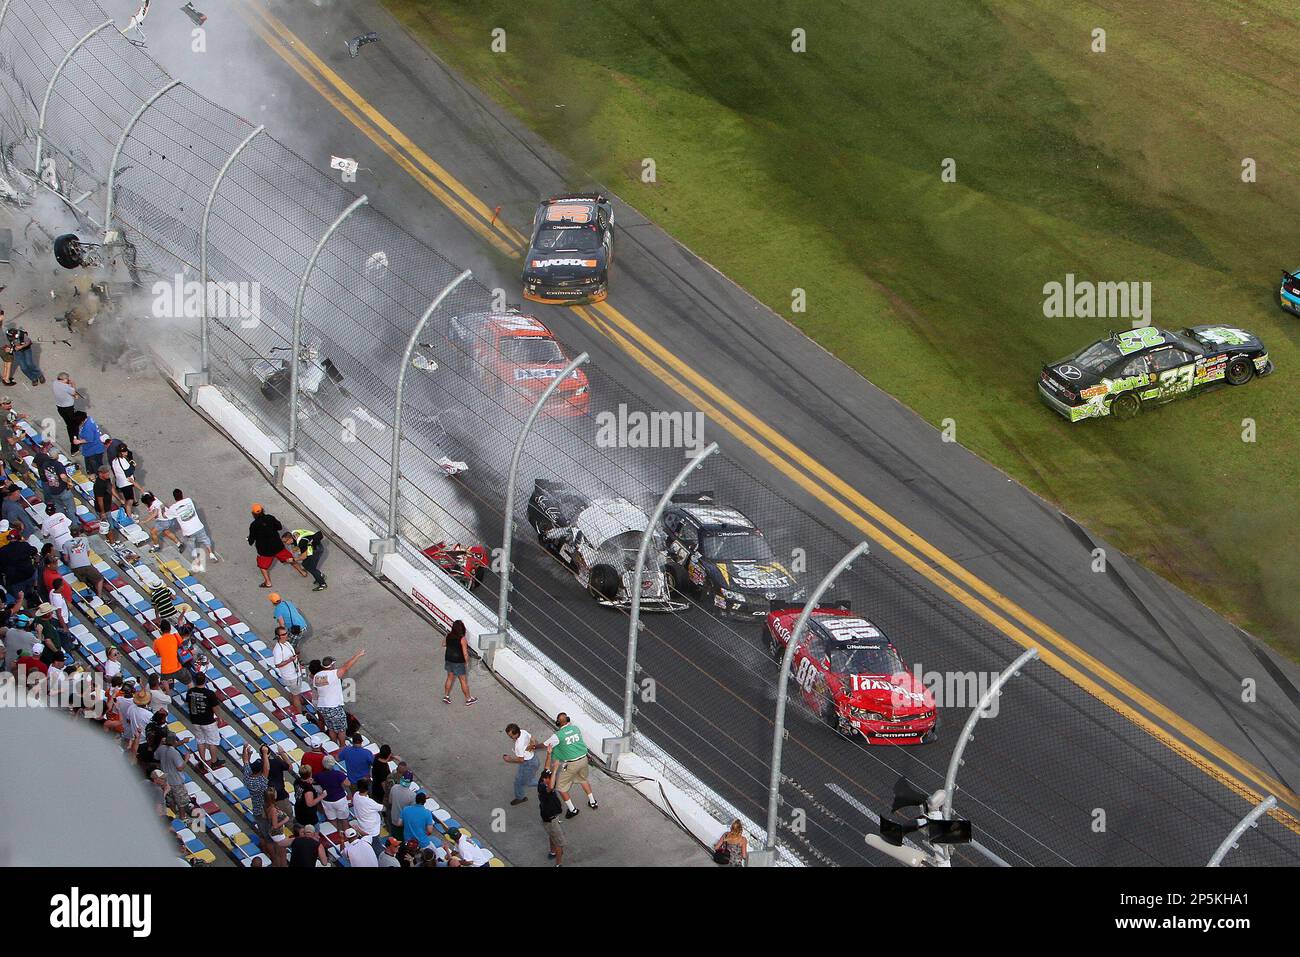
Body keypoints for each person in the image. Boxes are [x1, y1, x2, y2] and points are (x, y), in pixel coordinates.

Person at [540, 712, 598, 818]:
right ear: (568, 720)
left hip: (571, 764)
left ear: (558, 723)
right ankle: (593, 802)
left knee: (561, 787)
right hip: (583, 760)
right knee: (583, 779)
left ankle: (572, 809)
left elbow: (545, 744)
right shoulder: (575, 729)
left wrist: (534, 747)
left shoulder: (558, 736)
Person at [311, 650, 364, 747]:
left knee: (331, 727)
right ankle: (342, 746)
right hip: (334, 706)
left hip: (323, 706)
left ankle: (333, 745)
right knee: (342, 729)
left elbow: (316, 688)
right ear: (331, 665)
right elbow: (346, 666)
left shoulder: (316, 677)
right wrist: (357, 655)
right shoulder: (333, 674)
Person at [247, 504, 303, 587]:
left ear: (253, 514)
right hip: (278, 546)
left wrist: (249, 540)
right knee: (289, 558)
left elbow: (251, 539)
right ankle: (302, 572)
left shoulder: (253, 525)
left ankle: (268, 582)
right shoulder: (270, 517)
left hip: (264, 551)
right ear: (262, 510)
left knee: (263, 566)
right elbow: (279, 527)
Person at [166, 489, 221, 564]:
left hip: (188, 531)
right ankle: (211, 554)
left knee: (191, 545)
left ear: (174, 497)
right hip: (198, 527)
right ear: (182, 494)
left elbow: (167, 516)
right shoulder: (188, 500)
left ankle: (196, 559)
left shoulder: (173, 508)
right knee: (205, 539)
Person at [184, 672, 224, 767]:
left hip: (195, 720)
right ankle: (214, 762)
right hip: (208, 721)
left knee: (200, 740)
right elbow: (215, 708)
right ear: (205, 680)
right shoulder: (209, 693)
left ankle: (202, 761)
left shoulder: (190, 692)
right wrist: (219, 717)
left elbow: (187, 704)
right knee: (212, 741)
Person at [32, 441, 76, 522]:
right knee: (70, 509)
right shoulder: (58, 464)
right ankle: (74, 525)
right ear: (56, 455)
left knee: (59, 509)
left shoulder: (45, 464)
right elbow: (63, 477)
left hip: (53, 490)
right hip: (63, 490)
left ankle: (62, 523)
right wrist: (69, 482)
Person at [60, 534, 108, 600]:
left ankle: (89, 587)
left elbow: (66, 559)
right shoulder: (84, 539)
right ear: (79, 533)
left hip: (75, 568)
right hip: (86, 565)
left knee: (83, 579)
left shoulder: (66, 544)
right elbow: (88, 553)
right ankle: (99, 597)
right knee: (100, 579)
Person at [156, 734, 193, 819]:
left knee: (171, 800)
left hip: (166, 780)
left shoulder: (161, 748)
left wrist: (183, 741)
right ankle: (183, 817)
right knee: (181, 802)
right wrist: (186, 759)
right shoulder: (175, 753)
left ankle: (174, 815)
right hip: (176, 781)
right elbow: (180, 768)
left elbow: (156, 756)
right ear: (174, 742)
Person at [270, 627, 306, 714]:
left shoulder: (286, 643)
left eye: (286, 633)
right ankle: (300, 713)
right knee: (296, 696)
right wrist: (290, 660)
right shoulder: (278, 650)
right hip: (291, 676)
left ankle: (297, 704)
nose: (286, 635)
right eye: (283, 634)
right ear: (278, 636)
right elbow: (278, 664)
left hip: (294, 673)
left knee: (294, 692)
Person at [504, 723, 540, 806]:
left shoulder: (519, 746)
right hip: (533, 760)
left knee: (522, 782)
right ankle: (546, 783)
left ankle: (546, 784)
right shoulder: (523, 732)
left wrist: (509, 759)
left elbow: (521, 760)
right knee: (524, 780)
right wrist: (532, 745)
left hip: (528, 764)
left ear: (516, 733)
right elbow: (532, 738)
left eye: (511, 736)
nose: (510, 738)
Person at [441, 619, 476, 706]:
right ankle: (468, 699)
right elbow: (465, 653)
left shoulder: (449, 635)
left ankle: (446, 696)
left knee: (449, 678)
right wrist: (467, 662)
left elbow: (443, 644)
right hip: (458, 662)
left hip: (449, 659)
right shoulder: (462, 639)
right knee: (463, 681)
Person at [0, 533, 39, 606]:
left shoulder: (2, 551)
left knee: (20, 599)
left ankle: (27, 609)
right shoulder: (24, 545)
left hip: (15, 580)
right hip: (29, 575)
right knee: (31, 591)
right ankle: (35, 598)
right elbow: (34, 550)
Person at [538, 768, 565, 866]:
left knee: (552, 835)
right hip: (551, 820)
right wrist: (555, 771)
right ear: (545, 779)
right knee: (559, 843)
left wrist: (549, 755)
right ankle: (558, 864)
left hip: (549, 819)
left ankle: (552, 852)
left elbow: (546, 766)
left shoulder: (541, 783)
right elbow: (550, 787)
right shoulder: (546, 790)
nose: (553, 781)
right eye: (551, 779)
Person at [153, 619, 191, 690]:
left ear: (161, 629)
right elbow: (183, 647)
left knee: (165, 686)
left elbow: (158, 655)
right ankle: (192, 698)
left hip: (165, 670)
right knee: (189, 682)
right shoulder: (176, 636)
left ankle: (167, 698)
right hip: (177, 668)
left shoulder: (156, 642)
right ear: (170, 628)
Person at [350, 779, 385, 855]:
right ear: (368, 789)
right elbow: (383, 808)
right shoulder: (369, 802)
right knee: (378, 850)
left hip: (363, 826)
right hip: (372, 830)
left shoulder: (356, 795)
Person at [315, 754, 350, 822]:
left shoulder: (318, 775)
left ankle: (337, 832)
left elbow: (315, 785)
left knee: (332, 820)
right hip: (339, 799)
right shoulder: (338, 774)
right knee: (344, 819)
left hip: (327, 800)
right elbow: (347, 783)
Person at [70, 410, 106, 475]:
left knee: (95, 466)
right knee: (92, 464)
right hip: (95, 447)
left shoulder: (87, 428)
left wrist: (79, 441)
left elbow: (89, 439)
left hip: (94, 450)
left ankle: (97, 476)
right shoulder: (89, 419)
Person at [109, 445, 142, 513]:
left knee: (127, 499)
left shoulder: (114, 461)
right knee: (129, 501)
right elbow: (129, 472)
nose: (126, 452)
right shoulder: (122, 461)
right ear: (121, 453)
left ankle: (127, 510)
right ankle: (129, 515)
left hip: (120, 482)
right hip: (126, 483)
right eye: (124, 451)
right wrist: (133, 466)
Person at [386, 768, 416, 841]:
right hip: (403, 823)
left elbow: (390, 802)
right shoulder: (412, 795)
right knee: (401, 840)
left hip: (393, 819)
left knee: (394, 837)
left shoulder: (394, 787)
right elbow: (411, 812)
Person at [51, 373, 80, 441]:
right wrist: (73, 384)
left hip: (60, 407)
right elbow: (73, 391)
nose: (68, 380)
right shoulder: (66, 387)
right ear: (64, 379)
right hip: (68, 407)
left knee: (68, 422)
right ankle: (74, 438)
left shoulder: (55, 383)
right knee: (72, 424)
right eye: (67, 379)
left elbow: (63, 391)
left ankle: (72, 435)